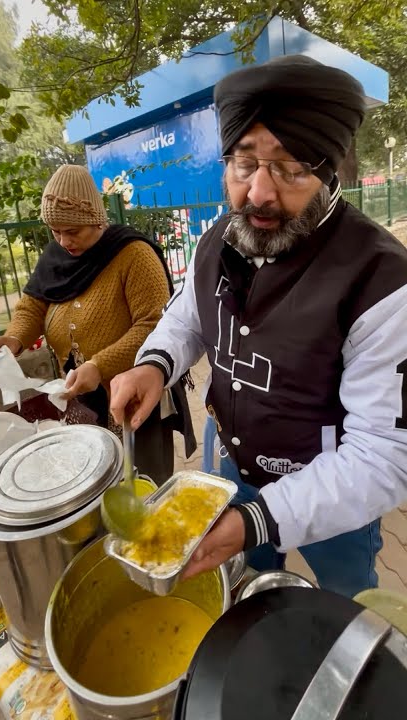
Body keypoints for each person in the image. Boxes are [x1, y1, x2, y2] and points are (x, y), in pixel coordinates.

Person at [109, 55, 407, 598]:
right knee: (244, 592)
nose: (260, 193)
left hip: (333, 493)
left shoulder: (381, 280)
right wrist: (155, 364)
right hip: (229, 467)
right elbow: (189, 315)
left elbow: (382, 456)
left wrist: (257, 520)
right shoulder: (217, 238)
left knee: (344, 604)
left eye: (291, 168)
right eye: (245, 165)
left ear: (328, 170)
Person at [0, 164, 194, 479]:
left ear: (95, 220)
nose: (64, 241)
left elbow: (154, 326)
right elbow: (34, 304)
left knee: (142, 481)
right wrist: (14, 338)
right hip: (80, 394)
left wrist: (100, 365)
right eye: (56, 231)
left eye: (73, 231)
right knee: (92, 477)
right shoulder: (57, 257)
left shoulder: (133, 256)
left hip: (134, 394)